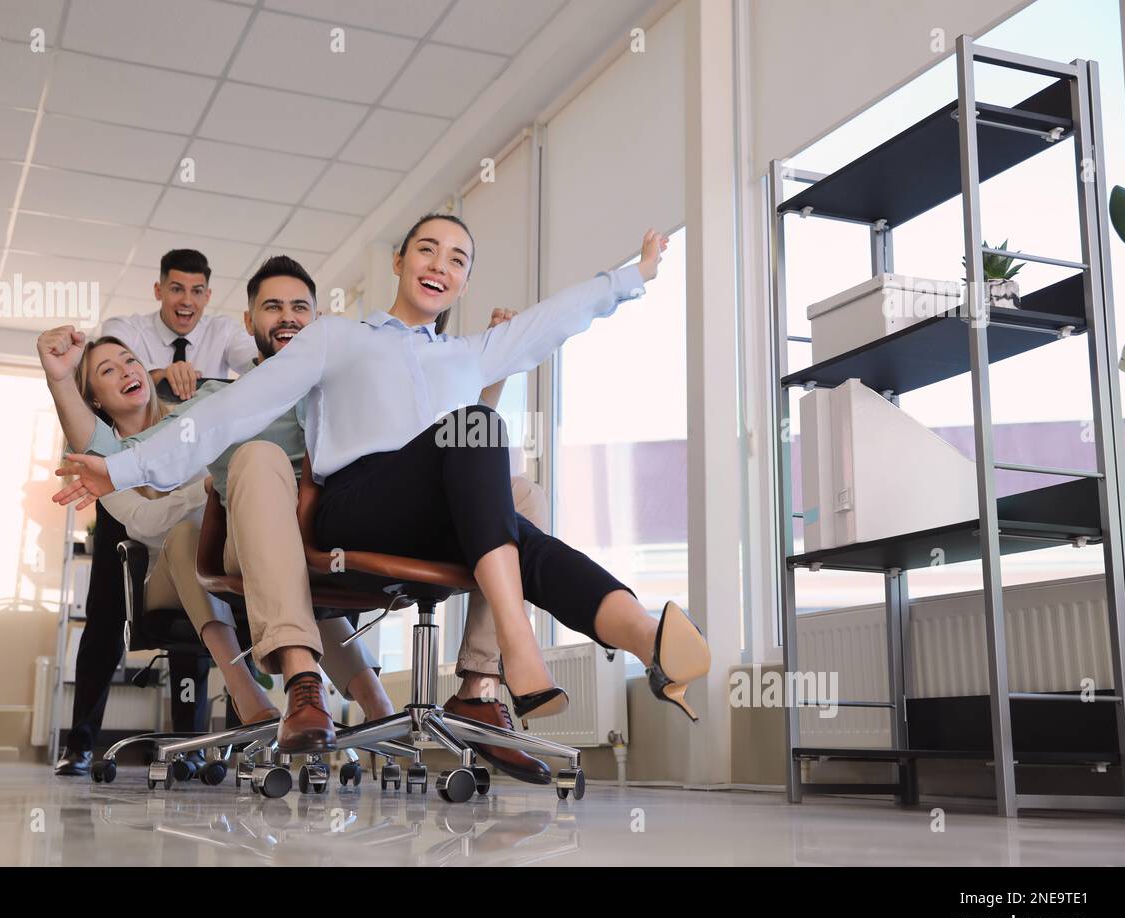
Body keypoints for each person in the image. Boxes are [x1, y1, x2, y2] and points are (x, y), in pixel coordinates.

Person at [55, 216, 711, 756]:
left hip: (441, 513)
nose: (440, 264)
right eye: (427, 248)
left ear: (463, 281)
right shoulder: (338, 337)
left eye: (458, 258)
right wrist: (121, 467)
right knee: (478, 431)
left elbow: (555, 319)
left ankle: (645, 636)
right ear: (399, 261)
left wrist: (635, 276)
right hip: (354, 506)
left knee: (498, 478)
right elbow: (232, 410)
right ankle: (518, 646)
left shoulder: (468, 354)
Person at [43, 258, 393, 754]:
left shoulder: (197, 412)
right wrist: (218, 486)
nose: (126, 371)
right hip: (174, 560)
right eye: (108, 371)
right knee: (191, 532)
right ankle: (248, 694)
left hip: (238, 545)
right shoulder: (149, 437)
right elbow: (140, 509)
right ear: (93, 399)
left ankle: (376, 709)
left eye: (130, 362)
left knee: (291, 564)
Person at [98, 248, 258, 401]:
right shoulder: (126, 327)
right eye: (177, 289)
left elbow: (259, 362)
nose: (187, 301)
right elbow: (108, 356)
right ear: (158, 291)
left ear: (207, 296)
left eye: (196, 291)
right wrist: (158, 375)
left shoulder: (225, 331)